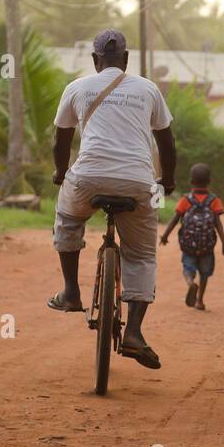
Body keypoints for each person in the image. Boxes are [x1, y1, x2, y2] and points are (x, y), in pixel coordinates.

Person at [49, 29, 176, 370]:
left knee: (69, 218)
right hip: (139, 182)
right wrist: (169, 181)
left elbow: (61, 143)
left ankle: (71, 292)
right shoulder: (148, 89)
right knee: (142, 254)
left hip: (87, 178)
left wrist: (62, 172)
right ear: (127, 59)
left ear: (95, 60)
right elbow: (167, 144)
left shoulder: (76, 87)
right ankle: (134, 331)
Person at [159, 163, 224, 311]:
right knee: (204, 273)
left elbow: (175, 219)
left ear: (191, 181)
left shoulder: (186, 199)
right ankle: (199, 300)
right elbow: (218, 223)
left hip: (188, 245)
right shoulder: (214, 200)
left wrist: (165, 235)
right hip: (207, 246)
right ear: (209, 181)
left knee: (188, 267)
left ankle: (190, 282)